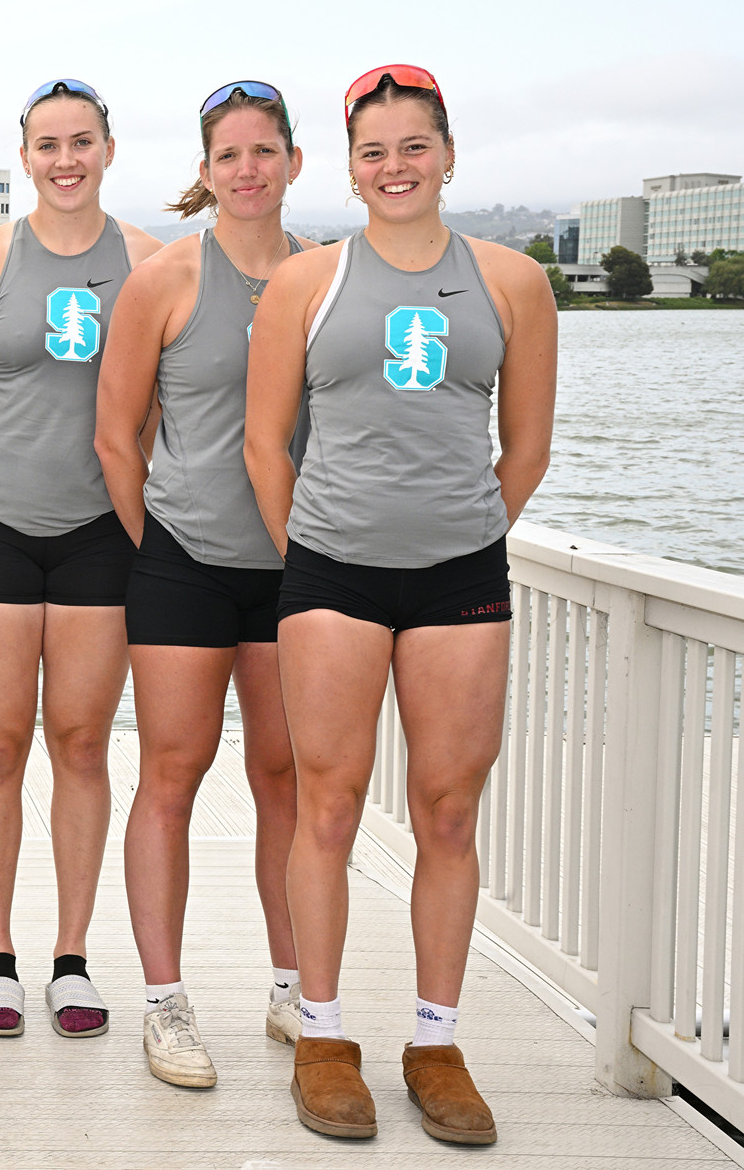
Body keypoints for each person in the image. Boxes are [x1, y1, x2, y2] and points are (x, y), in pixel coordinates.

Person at [245, 65, 555, 1144]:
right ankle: (325, 1037)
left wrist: (459, 531)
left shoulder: (513, 281)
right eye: (373, 152)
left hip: (461, 578)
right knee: (327, 806)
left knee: (450, 812)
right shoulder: (307, 283)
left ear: (449, 154)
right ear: (350, 166)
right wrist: (319, 553)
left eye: (413, 147)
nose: (394, 168)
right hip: (331, 573)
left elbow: (526, 448)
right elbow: (263, 441)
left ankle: (435, 1041)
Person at [0, 78, 163, 1038]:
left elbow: (160, 404)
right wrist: (0, 483)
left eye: (82, 141)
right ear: (23, 156)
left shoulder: (151, 263)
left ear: (109, 148)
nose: (64, 159)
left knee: (79, 741)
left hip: (100, 534)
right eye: (46, 144)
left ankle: (71, 956)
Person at [96, 81, 312, 1088]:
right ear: (205, 170)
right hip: (182, 565)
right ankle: (165, 1003)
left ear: (294, 163)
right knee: (171, 778)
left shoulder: (331, 279)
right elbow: (116, 432)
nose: (247, 170)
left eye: (263, 151)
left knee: (287, 781)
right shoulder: (167, 280)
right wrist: (160, 544)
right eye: (228, 155)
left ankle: (292, 988)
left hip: (298, 572)